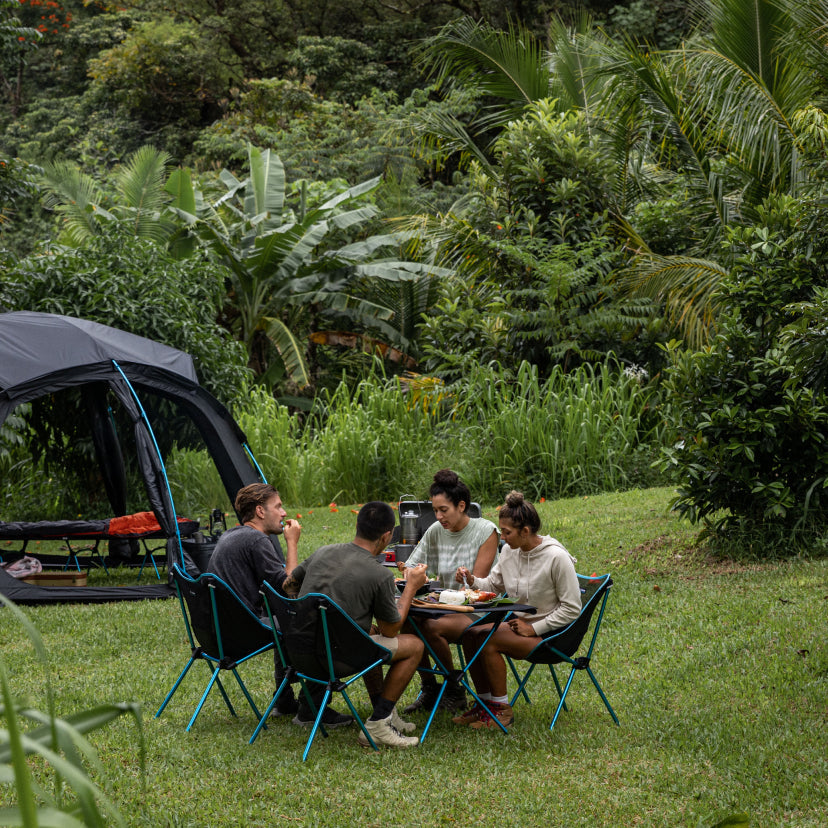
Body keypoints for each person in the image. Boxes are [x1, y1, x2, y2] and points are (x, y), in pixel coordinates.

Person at [283, 501, 429, 749]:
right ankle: (379, 724)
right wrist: (411, 587)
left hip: (298, 652)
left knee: (367, 634)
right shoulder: (379, 574)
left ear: (357, 526)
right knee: (414, 645)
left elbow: (288, 587)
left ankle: (384, 712)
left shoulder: (323, 551)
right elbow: (391, 631)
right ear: (386, 536)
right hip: (334, 659)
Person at [207, 483, 350, 726]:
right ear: (261, 511)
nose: (284, 513)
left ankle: (283, 701)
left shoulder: (232, 534)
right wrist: (292, 543)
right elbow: (288, 587)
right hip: (240, 633)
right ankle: (312, 709)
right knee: (315, 624)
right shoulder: (255, 541)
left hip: (216, 632)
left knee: (280, 616)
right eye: (278, 507)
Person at [452, 490, 581, 729]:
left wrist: (534, 629)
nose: (502, 538)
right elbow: (493, 585)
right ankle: (485, 705)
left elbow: (572, 609)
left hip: (551, 635)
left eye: (507, 532)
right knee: (471, 634)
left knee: (489, 641)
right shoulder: (510, 551)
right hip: (519, 626)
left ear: (525, 531)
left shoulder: (556, 557)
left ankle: (503, 712)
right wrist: (471, 580)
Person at [401, 469, 499, 714]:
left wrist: (467, 579)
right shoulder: (436, 531)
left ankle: (453, 687)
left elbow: (479, 586)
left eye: (443, 510)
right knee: (407, 621)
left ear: (461, 505)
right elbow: (412, 566)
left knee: (431, 627)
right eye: (435, 510)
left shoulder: (486, 531)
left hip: (477, 610)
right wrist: (409, 573)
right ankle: (430, 688)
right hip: (443, 608)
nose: (438, 516)